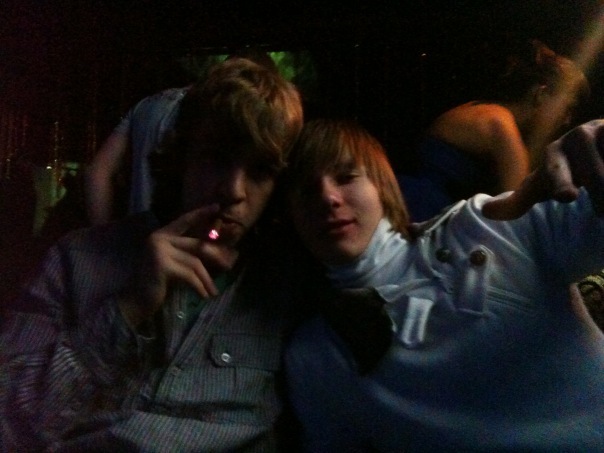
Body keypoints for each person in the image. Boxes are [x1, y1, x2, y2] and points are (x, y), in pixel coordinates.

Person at [0, 58, 304, 451]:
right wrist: (127, 308)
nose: (233, 191)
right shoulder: (77, 261)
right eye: (215, 158)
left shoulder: (286, 285)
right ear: (181, 158)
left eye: (260, 171)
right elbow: (8, 419)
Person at [283, 118, 604, 451]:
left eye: (346, 177)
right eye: (306, 190)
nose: (327, 197)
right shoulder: (313, 357)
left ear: (382, 185)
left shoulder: (488, 223)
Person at [401, 39, 589, 222]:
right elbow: (517, 216)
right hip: (419, 212)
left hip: (409, 204)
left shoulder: (481, 110)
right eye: (568, 108)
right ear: (541, 94)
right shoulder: (500, 125)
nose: (568, 120)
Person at [84, 49, 278, 225]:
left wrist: (105, 238)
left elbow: (97, 172)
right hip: (187, 239)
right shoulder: (208, 114)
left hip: (133, 237)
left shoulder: (146, 105)